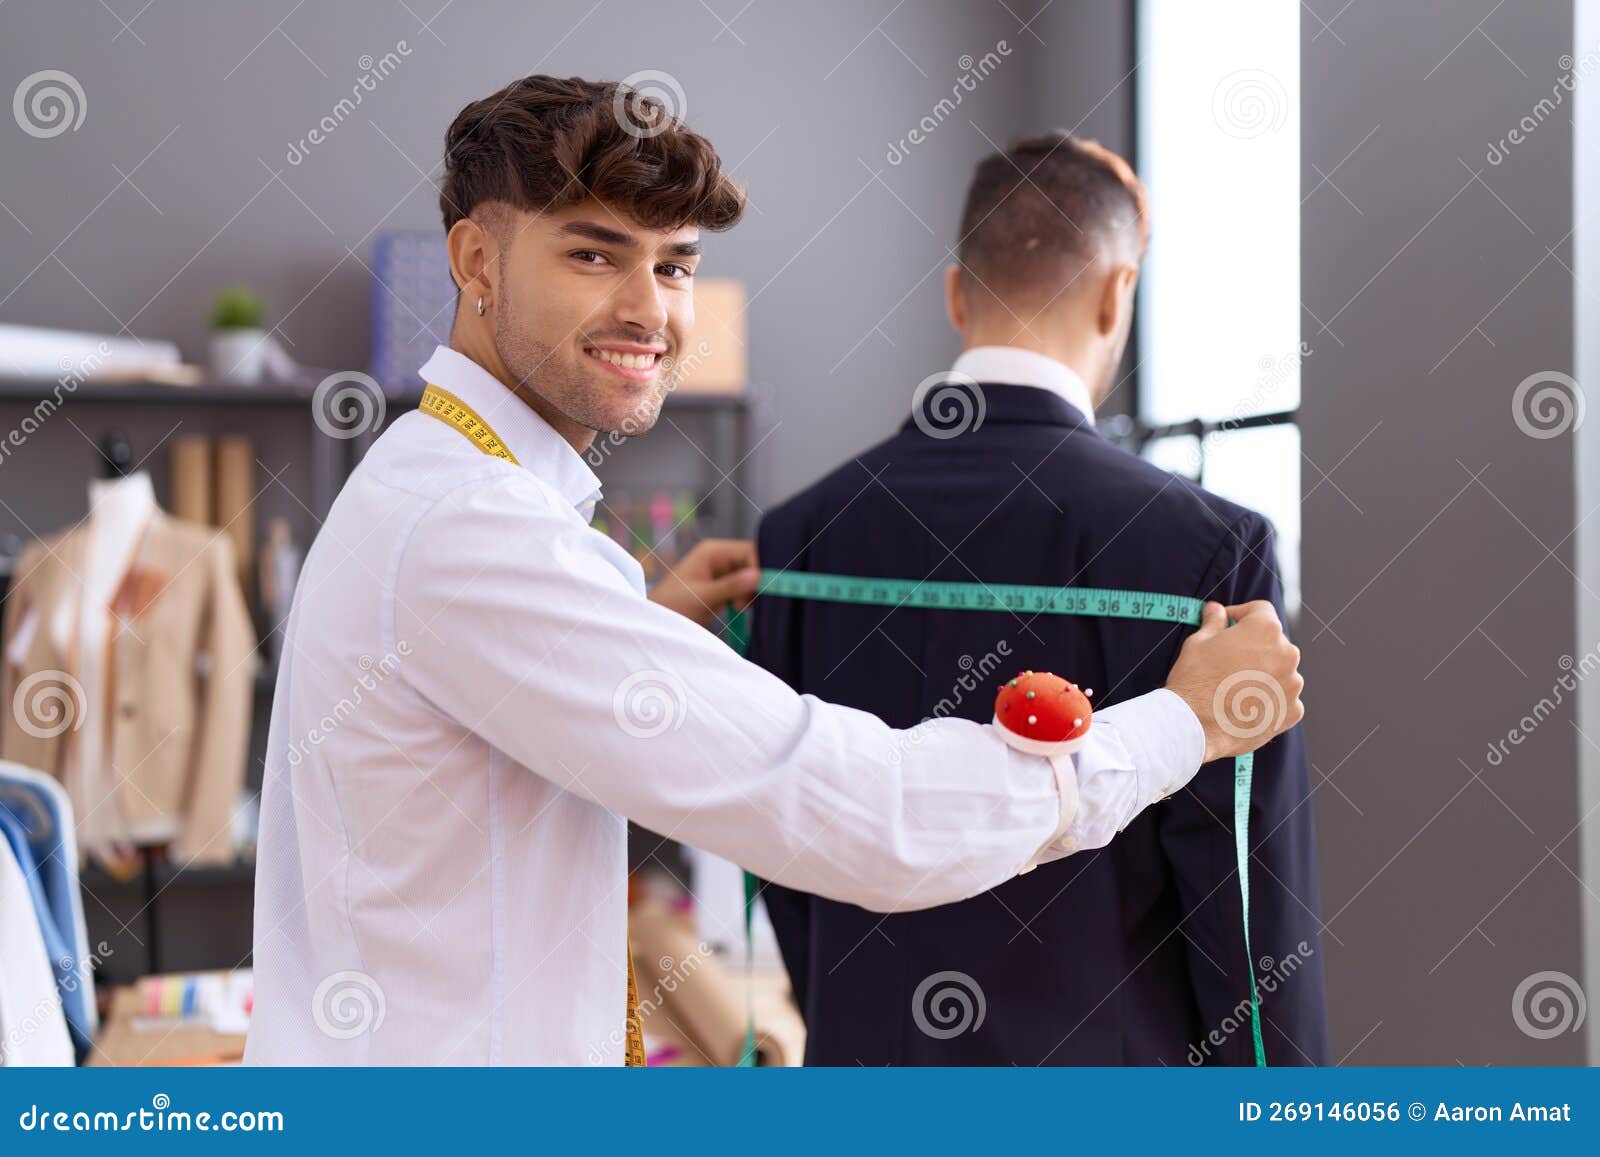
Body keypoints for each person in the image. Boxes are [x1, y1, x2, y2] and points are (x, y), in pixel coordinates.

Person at [244, 79, 1304, 1065]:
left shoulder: (444, 489)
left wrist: (640, 624)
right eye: (593, 254)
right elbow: (869, 815)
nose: (648, 310)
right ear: (475, 262)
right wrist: (1183, 722)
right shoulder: (474, 527)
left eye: (674, 265)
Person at [751, 133, 1327, 1066]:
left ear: (955, 294)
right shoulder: (1213, 549)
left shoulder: (800, 538)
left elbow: (781, 849)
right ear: (1116, 295)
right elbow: (1247, 898)